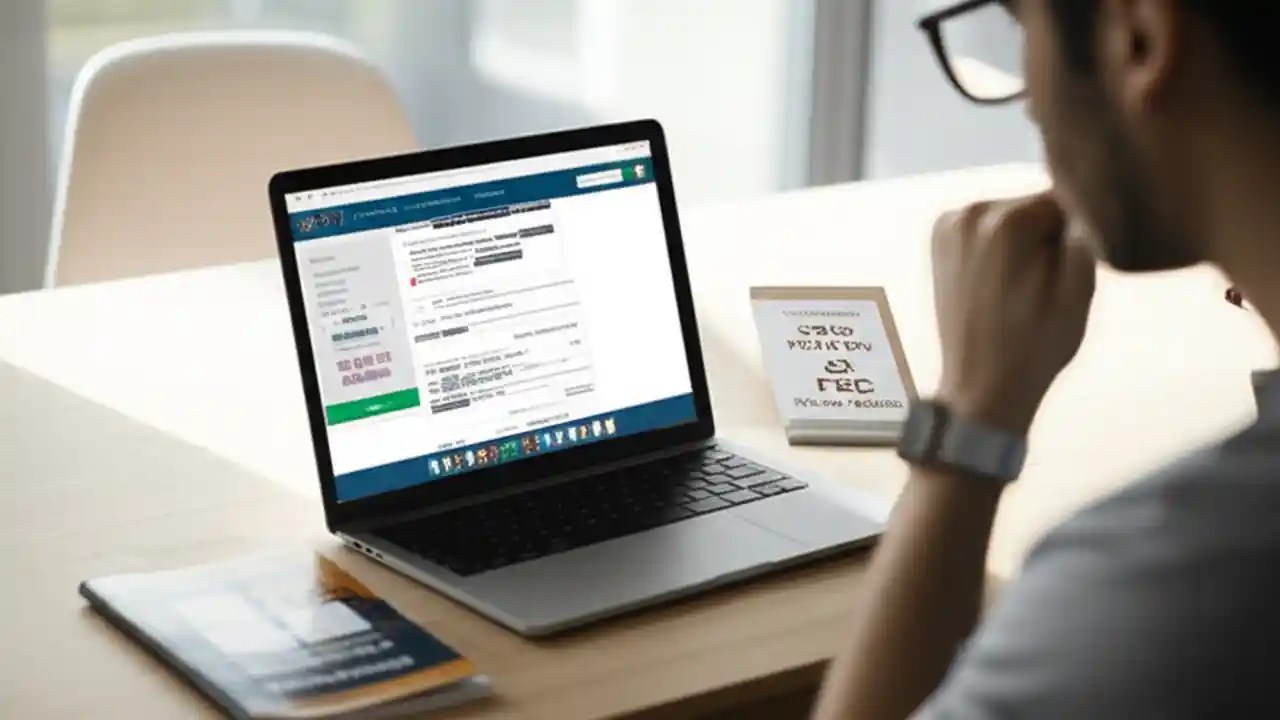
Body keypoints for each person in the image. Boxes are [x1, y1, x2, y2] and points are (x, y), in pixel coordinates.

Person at [812, 1, 1280, 717]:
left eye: (1020, 27)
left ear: (1139, 38)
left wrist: (968, 425)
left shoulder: (1155, 595)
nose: (1030, 102)